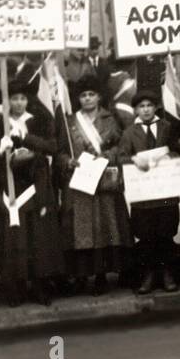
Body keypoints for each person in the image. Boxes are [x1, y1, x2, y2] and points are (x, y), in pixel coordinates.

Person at [0, 72, 64, 305]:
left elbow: (52, 147)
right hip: (10, 187)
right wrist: (1, 150)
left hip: (35, 184)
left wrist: (27, 139)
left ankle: (39, 286)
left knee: (37, 239)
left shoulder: (39, 120)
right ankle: (16, 288)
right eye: (14, 99)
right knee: (15, 241)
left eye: (22, 98)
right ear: (7, 101)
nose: (18, 103)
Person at [57, 71, 131, 295]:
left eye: (91, 94)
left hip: (104, 183)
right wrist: (67, 162)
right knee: (81, 231)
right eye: (83, 95)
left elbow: (122, 147)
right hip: (80, 183)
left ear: (99, 97)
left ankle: (101, 275)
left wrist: (108, 156)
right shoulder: (69, 122)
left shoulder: (111, 118)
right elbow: (59, 151)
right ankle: (81, 275)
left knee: (106, 228)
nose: (87, 98)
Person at [116, 88, 180, 293]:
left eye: (149, 106)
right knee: (145, 236)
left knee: (165, 233)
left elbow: (178, 149)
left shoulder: (167, 127)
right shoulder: (129, 132)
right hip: (143, 194)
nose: (145, 110)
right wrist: (133, 159)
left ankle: (166, 273)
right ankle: (148, 275)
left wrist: (169, 155)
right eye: (141, 107)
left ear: (155, 108)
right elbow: (120, 157)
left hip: (165, 191)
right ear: (135, 110)